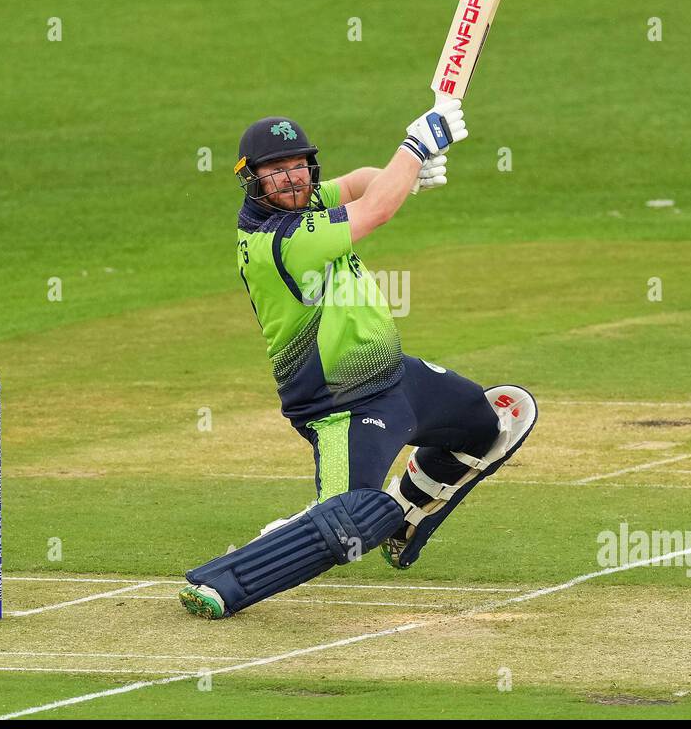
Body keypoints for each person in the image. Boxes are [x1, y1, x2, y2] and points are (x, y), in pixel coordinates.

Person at [179, 101, 538, 619]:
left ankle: (410, 509)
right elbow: (375, 210)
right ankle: (230, 577)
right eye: (275, 171)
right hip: (340, 405)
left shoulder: (302, 204)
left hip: (397, 378)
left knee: (493, 421)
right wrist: (414, 147)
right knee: (352, 521)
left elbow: (356, 186)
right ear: (253, 181)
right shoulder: (280, 239)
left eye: (298, 165)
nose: (290, 179)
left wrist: (405, 175)